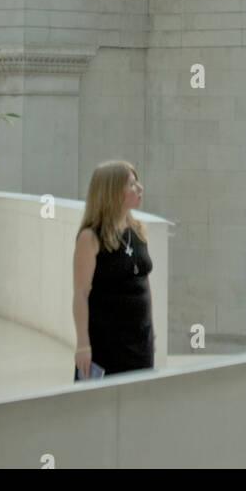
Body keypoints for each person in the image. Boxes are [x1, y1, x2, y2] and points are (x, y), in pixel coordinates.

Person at [72, 161, 155, 379]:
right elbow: (80, 294)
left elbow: (143, 283)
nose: (140, 188)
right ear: (113, 192)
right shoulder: (90, 237)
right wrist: (83, 345)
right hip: (107, 342)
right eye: (131, 184)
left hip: (140, 341)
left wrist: (151, 328)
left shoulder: (137, 230)